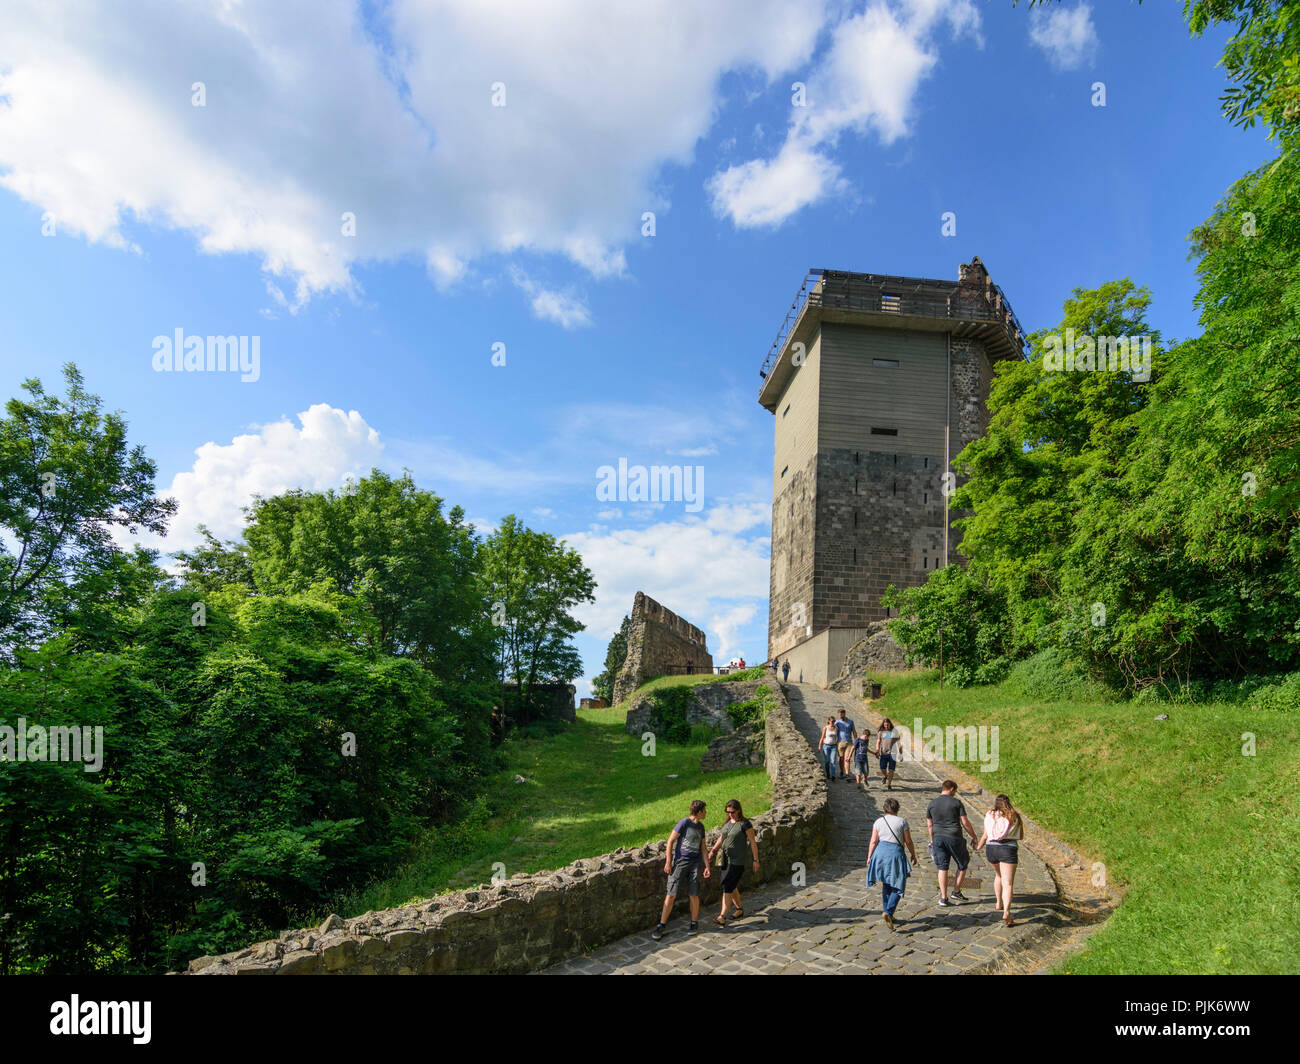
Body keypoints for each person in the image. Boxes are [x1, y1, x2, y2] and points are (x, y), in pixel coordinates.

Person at [652, 799, 711, 940]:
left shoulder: (701, 827)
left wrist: (707, 865)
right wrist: (668, 862)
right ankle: (661, 925)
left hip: (695, 863)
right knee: (671, 893)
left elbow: (703, 847)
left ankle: (694, 923)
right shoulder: (684, 823)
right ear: (699, 811)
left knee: (693, 893)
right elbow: (670, 841)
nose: (706, 813)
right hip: (680, 862)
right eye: (704, 810)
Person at [865, 796, 919, 929]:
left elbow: (873, 841)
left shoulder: (878, 821)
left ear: (885, 808)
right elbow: (908, 841)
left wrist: (869, 856)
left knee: (886, 883)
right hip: (895, 854)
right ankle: (888, 911)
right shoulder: (902, 822)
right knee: (899, 884)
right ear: (897, 808)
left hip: (880, 853)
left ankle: (888, 912)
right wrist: (913, 854)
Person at [926, 780, 980, 906]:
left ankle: (943, 898)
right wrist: (974, 836)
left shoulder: (932, 804)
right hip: (954, 837)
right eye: (955, 791)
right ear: (951, 789)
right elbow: (965, 822)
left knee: (942, 867)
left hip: (938, 837)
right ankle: (956, 891)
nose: (955, 793)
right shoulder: (956, 803)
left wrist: (932, 840)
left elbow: (929, 825)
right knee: (962, 863)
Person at [975, 793, 1024, 926]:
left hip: (991, 848)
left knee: (998, 875)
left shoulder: (990, 815)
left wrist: (979, 846)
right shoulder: (1014, 816)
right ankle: (1007, 912)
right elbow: (1021, 835)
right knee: (1008, 883)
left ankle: (998, 903)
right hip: (1008, 848)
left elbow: (985, 834)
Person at [706, 799, 758, 925]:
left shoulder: (745, 824)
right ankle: (739, 909)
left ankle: (722, 915)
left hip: (737, 861)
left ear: (738, 810)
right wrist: (713, 850)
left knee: (728, 886)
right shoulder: (728, 822)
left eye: (732, 812)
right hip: (723, 859)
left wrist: (756, 860)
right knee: (730, 884)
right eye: (728, 812)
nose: (730, 814)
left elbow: (752, 842)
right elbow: (722, 837)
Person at [875, 717, 901, 789]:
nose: (886, 726)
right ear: (883, 725)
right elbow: (878, 742)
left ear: (890, 724)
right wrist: (877, 750)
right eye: (885, 725)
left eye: (887, 724)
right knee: (882, 768)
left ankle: (889, 784)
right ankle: (885, 776)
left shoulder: (894, 732)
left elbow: (898, 743)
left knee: (891, 769)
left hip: (893, 753)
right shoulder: (880, 732)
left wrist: (900, 753)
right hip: (883, 753)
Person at [834, 709, 856, 782]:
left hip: (849, 742)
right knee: (841, 758)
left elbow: (854, 731)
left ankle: (847, 774)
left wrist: (856, 741)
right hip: (840, 742)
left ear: (844, 714)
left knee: (847, 758)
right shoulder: (837, 722)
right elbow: (833, 730)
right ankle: (841, 771)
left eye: (841, 714)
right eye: (839, 714)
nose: (840, 716)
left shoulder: (850, 722)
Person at [819, 716, 839, 781]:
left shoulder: (836, 728)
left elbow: (837, 738)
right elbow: (822, 737)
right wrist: (819, 746)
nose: (833, 722)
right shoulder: (825, 728)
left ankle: (833, 775)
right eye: (831, 721)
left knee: (833, 761)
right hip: (826, 746)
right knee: (827, 761)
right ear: (829, 721)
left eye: (834, 721)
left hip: (834, 746)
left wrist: (837, 746)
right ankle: (828, 774)